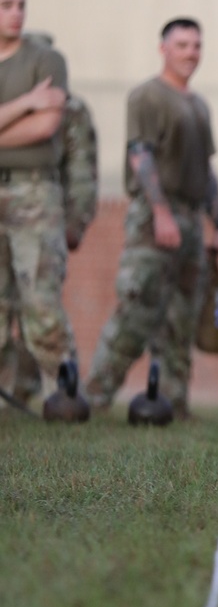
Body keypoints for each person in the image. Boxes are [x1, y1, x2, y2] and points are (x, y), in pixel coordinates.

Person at [85, 18, 218, 416]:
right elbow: (140, 155)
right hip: (154, 216)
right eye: (182, 44)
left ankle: (172, 405)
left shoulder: (198, 104)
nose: (190, 53)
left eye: (196, 45)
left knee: (181, 319)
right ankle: (93, 401)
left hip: (190, 218)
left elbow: (207, 169)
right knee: (137, 310)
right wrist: (161, 213)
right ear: (163, 48)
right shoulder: (147, 96)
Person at [0, 57, 98, 404]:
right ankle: (13, 394)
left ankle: (65, 395)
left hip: (39, 206)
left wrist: (77, 220)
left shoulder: (69, 109)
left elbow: (81, 166)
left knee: (39, 307)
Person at [0, 0, 78, 401]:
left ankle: (62, 397)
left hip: (33, 193)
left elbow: (47, 125)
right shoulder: (29, 86)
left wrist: (31, 114)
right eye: (6, 4)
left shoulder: (46, 60)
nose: (16, 13)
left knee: (41, 304)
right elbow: (34, 115)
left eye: (21, 4)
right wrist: (26, 103)